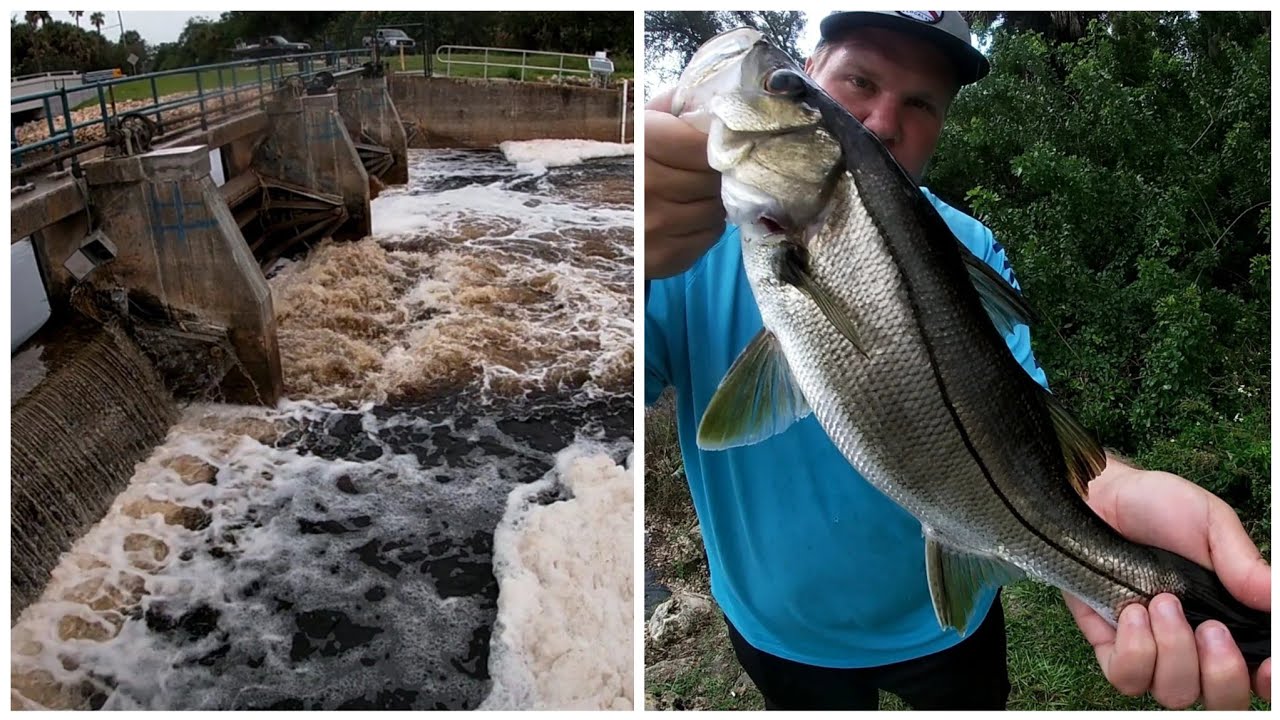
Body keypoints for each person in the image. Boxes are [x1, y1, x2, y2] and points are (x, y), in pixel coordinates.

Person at [644, 10, 1271, 711]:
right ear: (815, 71)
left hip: (946, 624)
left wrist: (1111, 493)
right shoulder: (670, 248)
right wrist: (618, 258)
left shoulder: (973, 244)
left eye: (920, 103)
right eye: (857, 79)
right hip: (778, 632)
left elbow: (1017, 414)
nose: (883, 121)